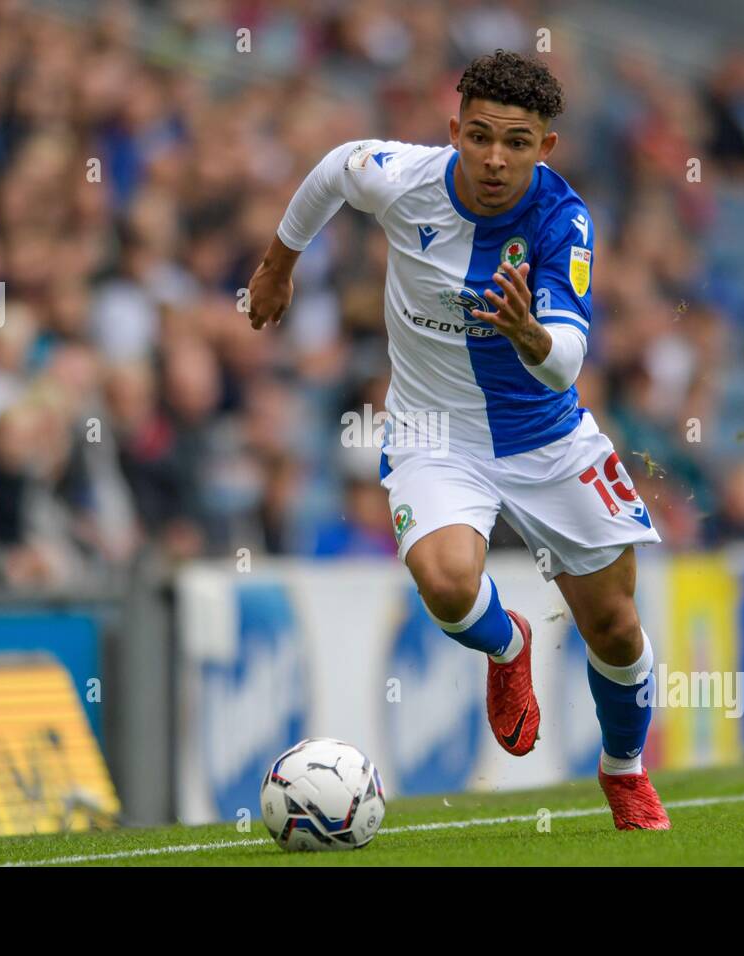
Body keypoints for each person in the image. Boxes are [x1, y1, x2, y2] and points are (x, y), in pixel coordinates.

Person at [246, 51, 669, 829]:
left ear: (546, 147)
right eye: (478, 137)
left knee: (613, 625)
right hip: (433, 434)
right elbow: (337, 169)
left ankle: (624, 772)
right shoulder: (404, 178)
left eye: (516, 141)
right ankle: (507, 647)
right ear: (454, 131)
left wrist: (530, 335)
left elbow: (567, 360)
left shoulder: (562, 222)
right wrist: (279, 265)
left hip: (548, 439)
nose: (495, 159)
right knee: (445, 583)